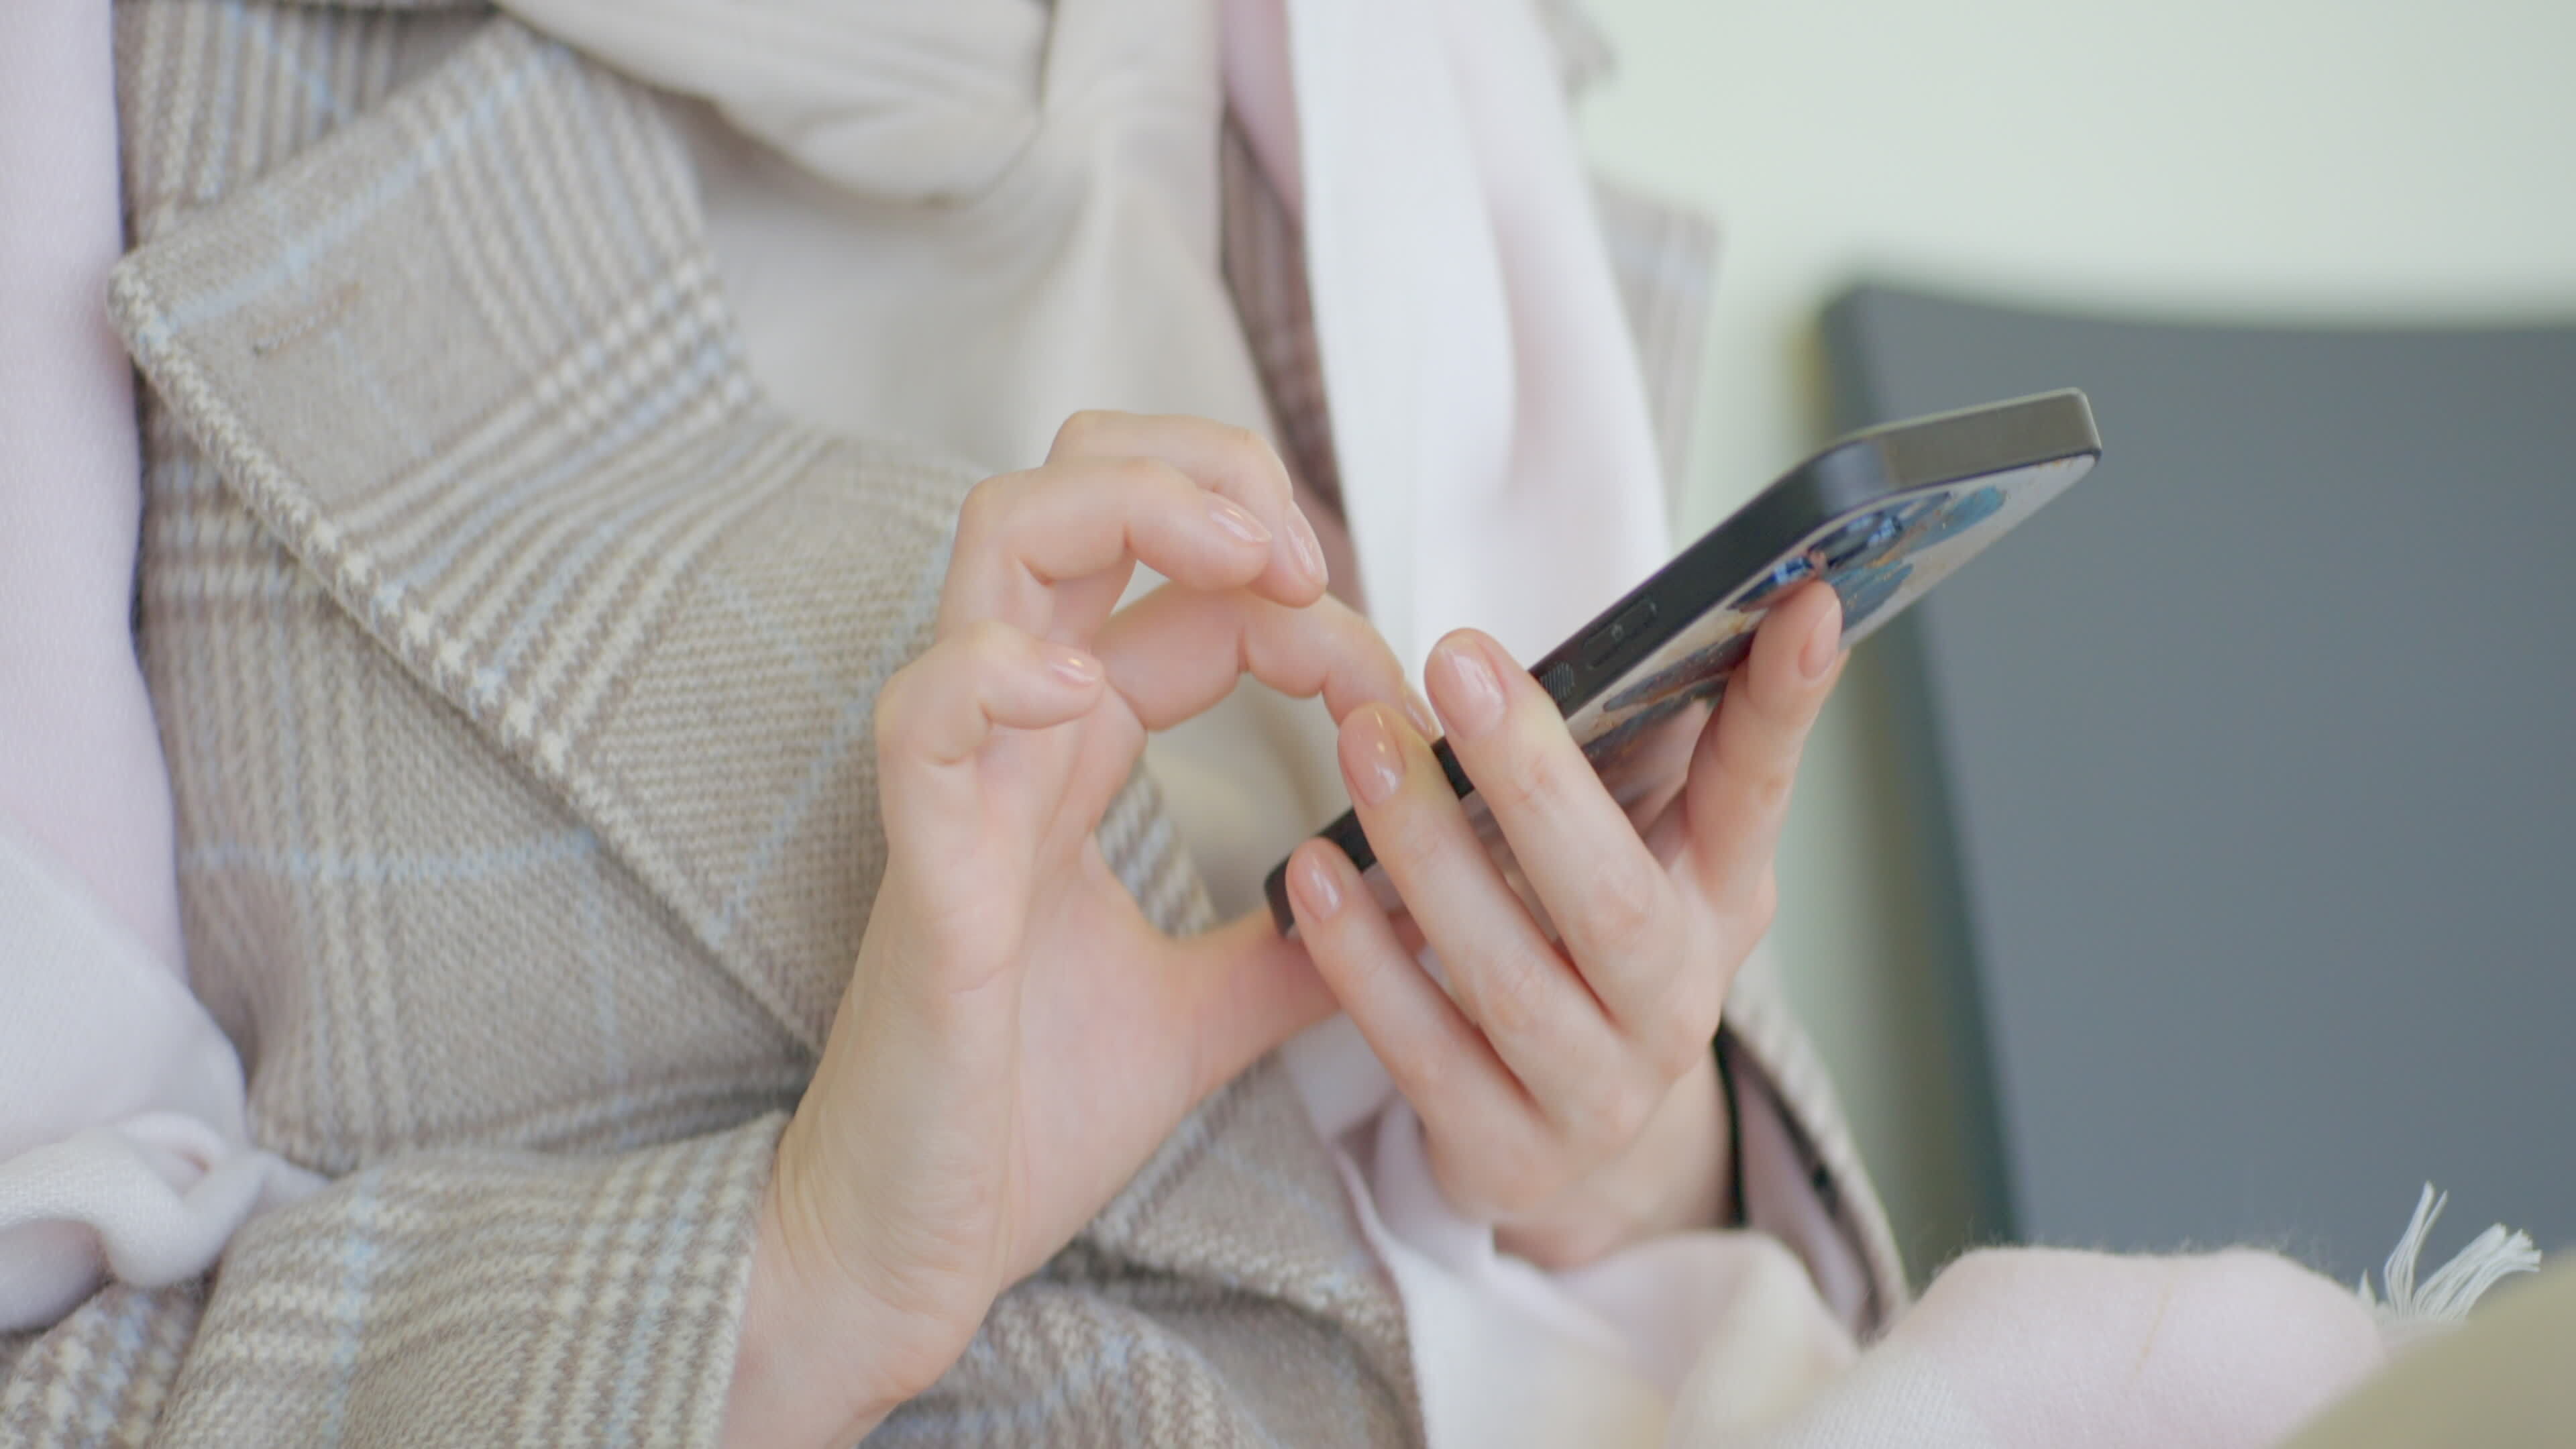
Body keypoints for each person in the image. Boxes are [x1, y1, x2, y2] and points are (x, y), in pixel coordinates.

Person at [0, 1, 2534, 1446]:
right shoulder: (113, 107)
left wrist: (1615, 1128)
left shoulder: (1388, 67)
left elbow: (1601, 1267)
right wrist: (789, 1282)